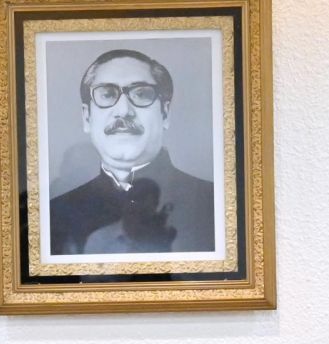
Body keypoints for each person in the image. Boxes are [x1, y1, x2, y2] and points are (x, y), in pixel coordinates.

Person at [49, 48, 216, 255]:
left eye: (141, 94)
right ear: (87, 118)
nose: (123, 111)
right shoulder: (53, 214)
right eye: (107, 94)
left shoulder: (214, 205)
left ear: (165, 113)